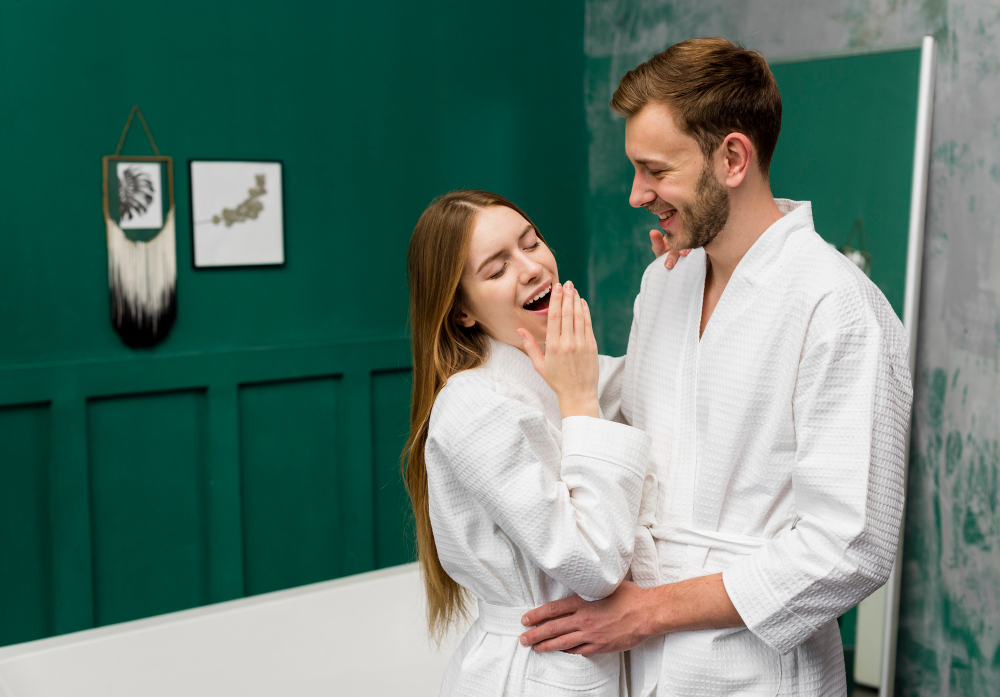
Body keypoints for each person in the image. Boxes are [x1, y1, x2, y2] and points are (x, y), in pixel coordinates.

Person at [519, 38, 914, 696]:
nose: (637, 194)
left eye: (656, 172)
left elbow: (850, 545)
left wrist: (650, 611)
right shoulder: (665, 281)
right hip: (639, 654)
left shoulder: (838, 307)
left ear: (732, 156)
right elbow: (648, 420)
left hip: (755, 669)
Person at [404, 190, 673, 696]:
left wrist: (671, 290)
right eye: (496, 268)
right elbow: (592, 565)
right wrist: (577, 400)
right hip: (532, 673)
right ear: (462, 311)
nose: (531, 268)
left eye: (532, 243)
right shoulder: (471, 406)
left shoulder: (559, 372)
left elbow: (656, 390)